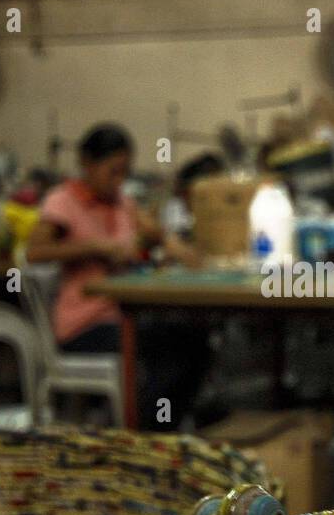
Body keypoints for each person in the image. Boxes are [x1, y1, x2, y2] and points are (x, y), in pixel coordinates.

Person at [26, 123, 204, 429]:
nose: (119, 180)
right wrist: (93, 247)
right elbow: (35, 251)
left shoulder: (122, 202)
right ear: (87, 164)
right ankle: (147, 431)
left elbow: (157, 236)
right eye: (113, 171)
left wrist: (173, 246)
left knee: (192, 337)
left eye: (124, 172)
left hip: (121, 316)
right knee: (177, 348)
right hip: (84, 325)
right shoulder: (63, 201)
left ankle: (157, 425)